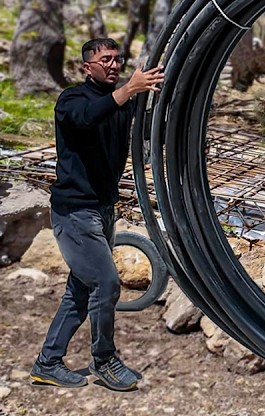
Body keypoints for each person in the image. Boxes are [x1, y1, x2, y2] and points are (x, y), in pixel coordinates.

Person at [31, 38, 164, 392]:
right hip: (74, 211)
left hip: (102, 209)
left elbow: (148, 126)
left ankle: (47, 363)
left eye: (118, 59)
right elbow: (87, 119)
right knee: (106, 283)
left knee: (80, 288)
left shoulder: (121, 105)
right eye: (105, 59)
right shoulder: (72, 99)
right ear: (86, 66)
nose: (114, 65)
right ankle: (104, 359)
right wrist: (129, 91)